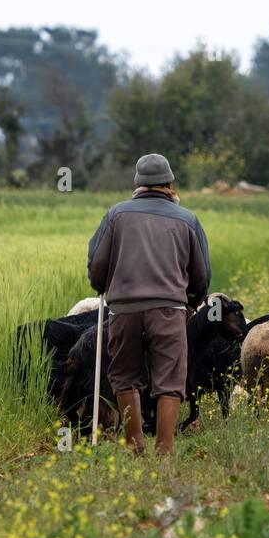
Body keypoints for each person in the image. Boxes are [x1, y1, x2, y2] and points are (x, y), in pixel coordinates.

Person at [87, 154, 211, 454]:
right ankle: (164, 451)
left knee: (125, 375)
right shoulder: (187, 219)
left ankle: (134, 447)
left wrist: (102, 286)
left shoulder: (116, 215)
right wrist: (191, 303)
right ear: (169, 183)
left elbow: (96, 265)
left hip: (124, 310)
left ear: (138, 184)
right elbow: (201, 275)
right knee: (170, 378)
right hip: (169, 309)